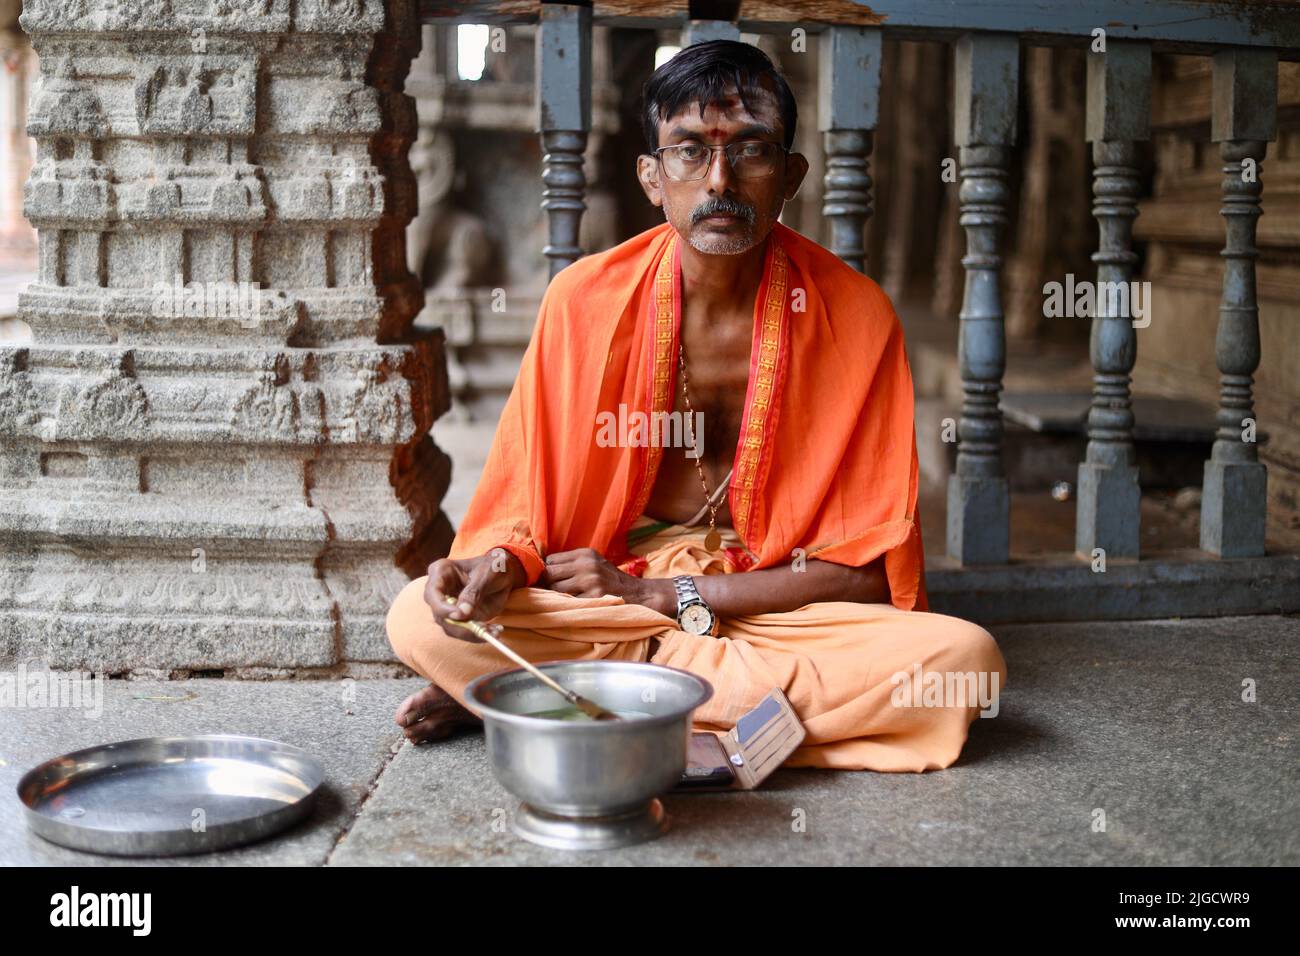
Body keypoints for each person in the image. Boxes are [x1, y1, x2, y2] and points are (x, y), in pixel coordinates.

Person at [386, 40, 1007, 772]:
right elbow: (525, 518)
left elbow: (865, 571)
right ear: (651, 177)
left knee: (965, 662)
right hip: (610, 594)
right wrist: (495, 567)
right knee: (416, 621)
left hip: (774, 603)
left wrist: (667, 594)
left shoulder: (857, 314)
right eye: (688, 152)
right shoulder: (581, 302)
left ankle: (556, 700)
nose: (721, 180)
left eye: (751, 151)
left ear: (791, 176)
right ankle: (725, 727)